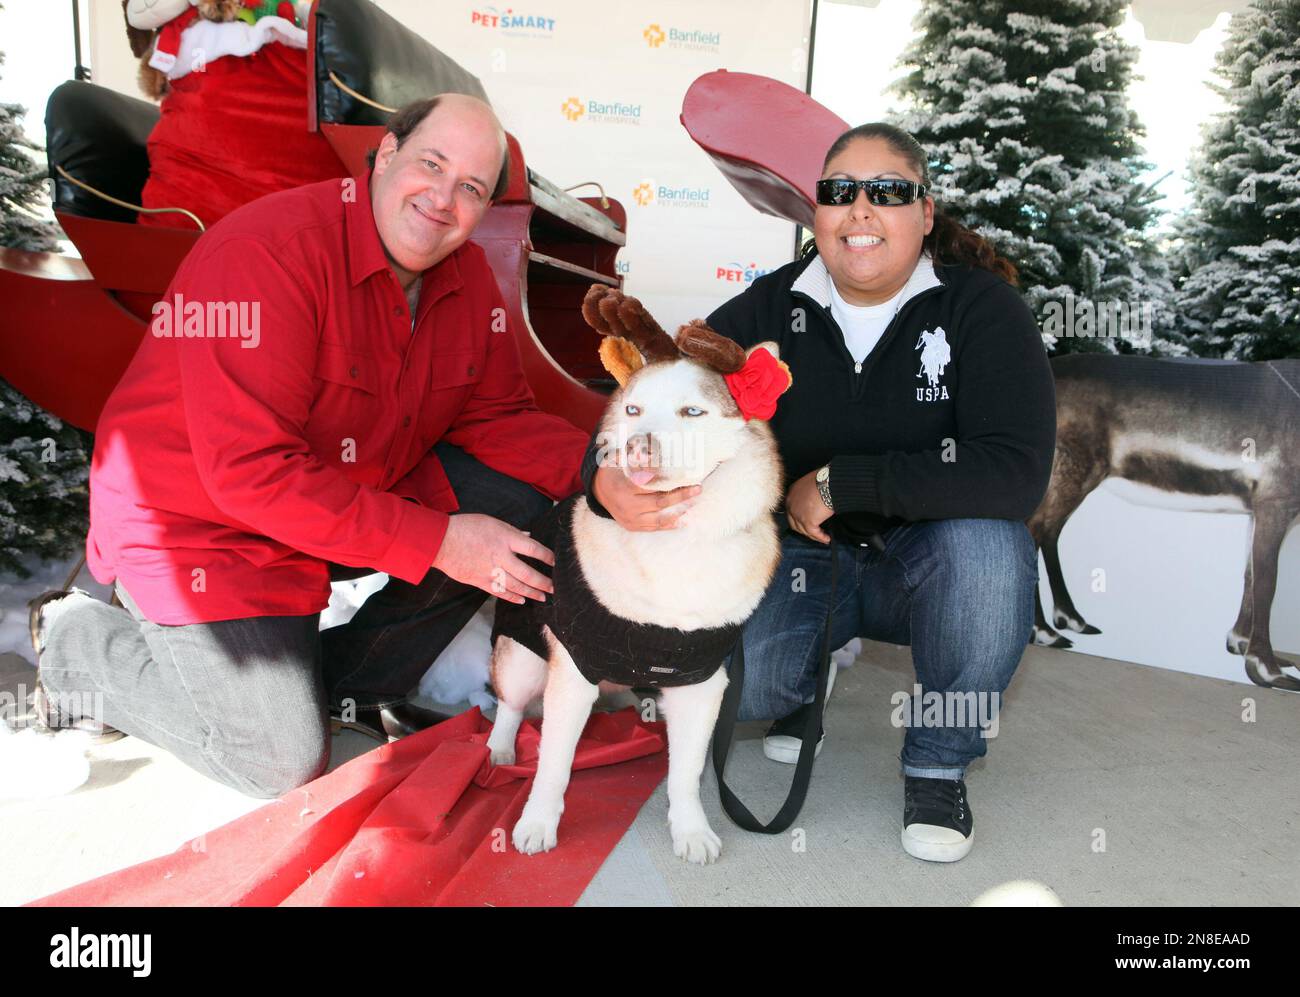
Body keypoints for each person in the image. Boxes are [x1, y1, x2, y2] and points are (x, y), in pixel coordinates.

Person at [28, 94, 626, 799]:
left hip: (341, 496)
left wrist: (607, 474)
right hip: (204, 528)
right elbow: (251, 476)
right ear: (386, 154)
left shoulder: (467, 282)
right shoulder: (266, 255)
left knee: (517, 501)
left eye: (470, 187)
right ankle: (78, 648)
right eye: (431, 164)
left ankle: (339, 684)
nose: (442, 199)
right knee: (278, 761)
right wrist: (439, 542)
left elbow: (497, 418)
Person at [585, 122, 1056, 862]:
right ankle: (809, 683)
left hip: (926, 559)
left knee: (994, 555)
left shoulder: (981, 309)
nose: (860, 209)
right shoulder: (773, 307)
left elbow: (1016, 468)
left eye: (888, 192)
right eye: (840, 192)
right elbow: (662, 393)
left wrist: (845, 482)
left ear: (925, 212)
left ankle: (938, 761)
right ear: (817, 213)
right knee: (757, 687)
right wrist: (604, 475)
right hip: (800, 559)